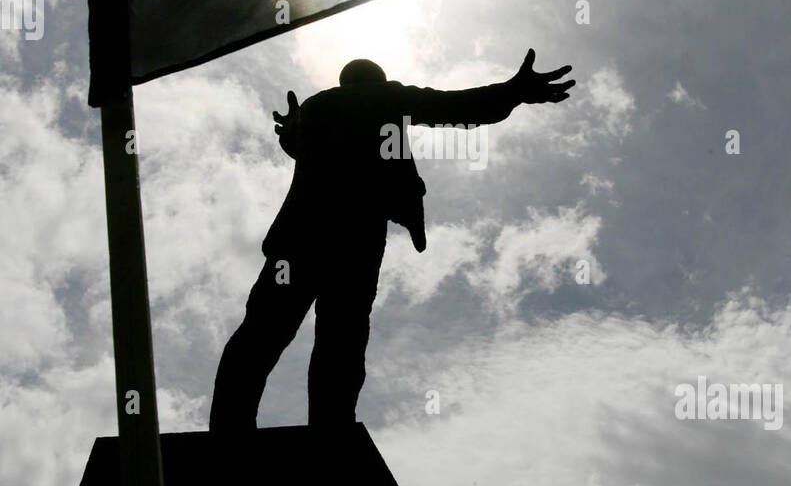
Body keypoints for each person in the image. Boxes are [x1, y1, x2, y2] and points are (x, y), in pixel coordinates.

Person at [209, 49, 574, 433]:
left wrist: (291, 130)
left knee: (264, 331)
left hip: (298, 239)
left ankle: (229, 429)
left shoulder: (319, 106)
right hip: (354, 238)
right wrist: (513, 91)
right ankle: (330, 432)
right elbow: (452, 107)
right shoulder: (385, 97)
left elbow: (300, 149)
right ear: (377, 81)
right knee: (342, 339)